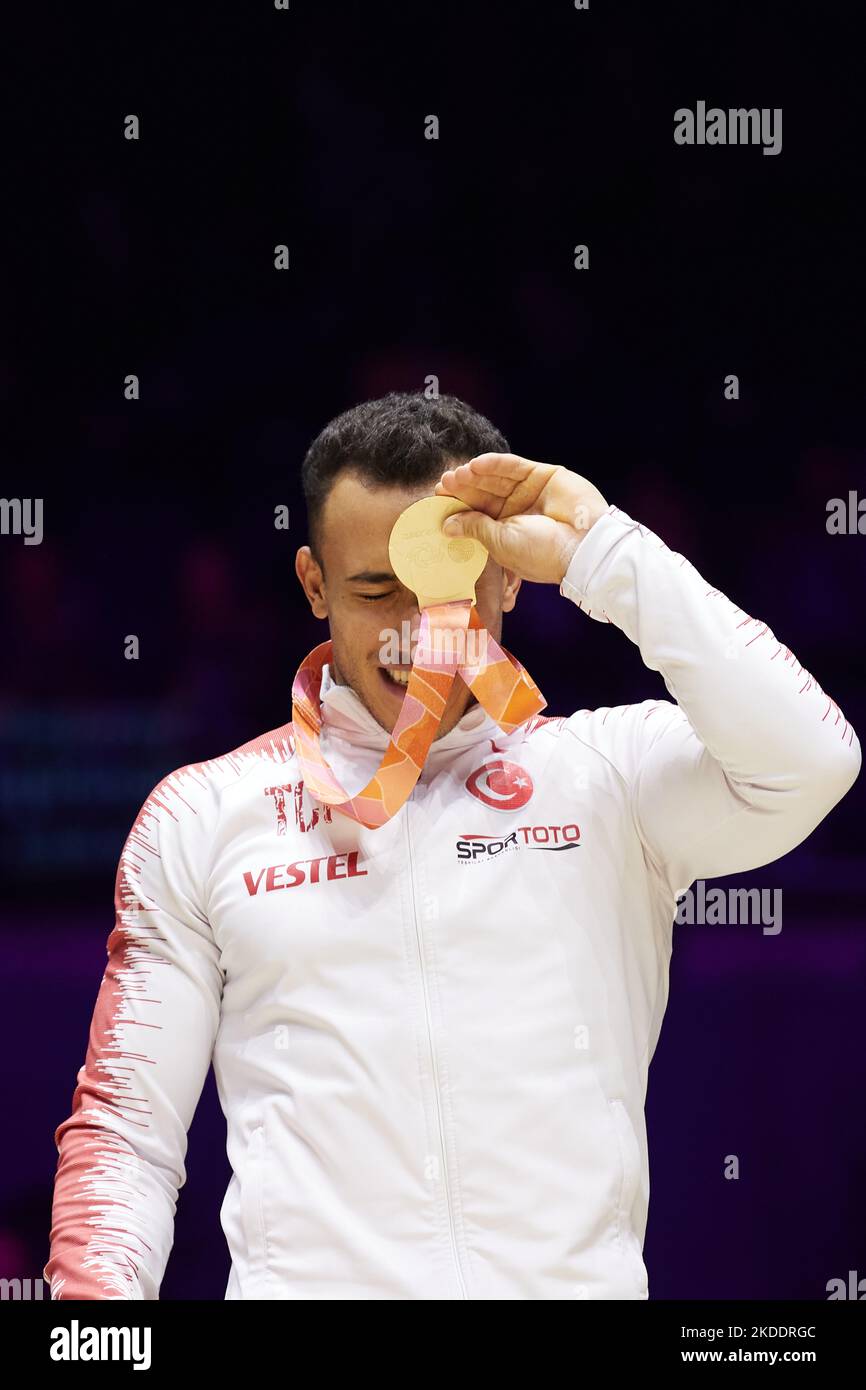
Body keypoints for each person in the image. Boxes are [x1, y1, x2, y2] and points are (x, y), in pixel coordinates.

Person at [45, 391, 860, 1300]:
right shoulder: (202, 819)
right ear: (314, 585)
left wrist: (603, 551)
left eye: (447, 588)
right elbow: (127, 1137)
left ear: (509, 577)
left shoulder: (611, 778)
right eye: (373, 592)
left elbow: (812, 760)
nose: (415, 631)